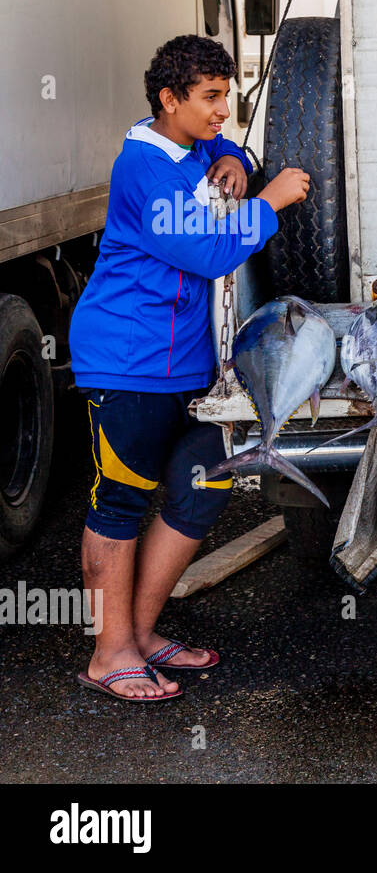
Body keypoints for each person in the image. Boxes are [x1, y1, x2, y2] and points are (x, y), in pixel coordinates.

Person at [68, 35, 311, 702]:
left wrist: (232, 155)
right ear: (167, 99)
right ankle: (107, 652)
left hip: (189, 367)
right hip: (126, 360)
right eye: (208, 98)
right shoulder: (141, 167)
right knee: (118, 504)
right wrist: (273, 201)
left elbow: (224, 153)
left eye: (226, 96)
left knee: (204, 489)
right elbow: (205, 253)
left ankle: (138, 634)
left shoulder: (197, 146)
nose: (221, 110)